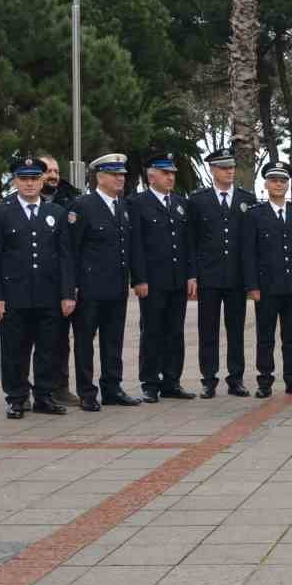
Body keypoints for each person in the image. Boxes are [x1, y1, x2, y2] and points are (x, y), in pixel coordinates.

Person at [0, 155, 77, 418]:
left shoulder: (56, 213)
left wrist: (67, 293)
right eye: (23, 179)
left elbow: (65, 256)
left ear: (42, 181)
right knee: (14, 349)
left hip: (49, 293)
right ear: (15, 181)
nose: (29, 184)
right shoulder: (0, 213)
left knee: (48, 348)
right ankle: (16, 397)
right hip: (14, 295)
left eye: (34, 179)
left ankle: (44, 395)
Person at [68, 154, 138, 412]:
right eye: (115, 174)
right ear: (100, 177)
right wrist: (71, 287)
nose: (120, 179)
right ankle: (87, 392)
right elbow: (71, 250)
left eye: (122, 174)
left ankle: (112, 388)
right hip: (90, 288)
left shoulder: (122, 206)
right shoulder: (82, 206)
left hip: (116, 287)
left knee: (113, 340)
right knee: (85, 342)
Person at [186, 147, 255, 398]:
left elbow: (251, 243)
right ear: (213, 170)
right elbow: (191, 241)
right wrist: (192, 274)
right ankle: (209, 379)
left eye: (232, 167)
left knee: (236, 330)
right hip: (209, 276)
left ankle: (236, 379)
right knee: (208, 330)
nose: (229, 172)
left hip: (237, 277)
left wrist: (251, 279)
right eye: (224, 168)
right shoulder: (198, 200)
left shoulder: (247, 199)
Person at [128, 154, 196, 402]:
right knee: (152, 331)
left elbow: (188, 243)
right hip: (153, 281)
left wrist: (191, 274)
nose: (170, 177)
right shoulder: (137, 203)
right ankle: (150, 383)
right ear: (151, 176)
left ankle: (171, 381)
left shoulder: (180, 203)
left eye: (172, 173)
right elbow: (135, 245)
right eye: (165, 173)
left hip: (177, 279)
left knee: (175, 332)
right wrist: (139, 279)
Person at [243, 162, 292, 397]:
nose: (279, 184)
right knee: (265, 337)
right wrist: (252, 286)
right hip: (266, 287)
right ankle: (265, 382)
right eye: (274, 180)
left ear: (288, 184)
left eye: (283, 181)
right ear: (266, 184)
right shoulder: (255, 214)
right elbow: (249, 253)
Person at [38, 154, 83, 405]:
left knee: (59, 338)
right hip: (29, 281)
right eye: (47, 171)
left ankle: (60, 387)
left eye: (55, 171)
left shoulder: (72, 200)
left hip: (62, 280)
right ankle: (22, 391)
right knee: (23, 341)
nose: (53, 175)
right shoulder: (16, 201)